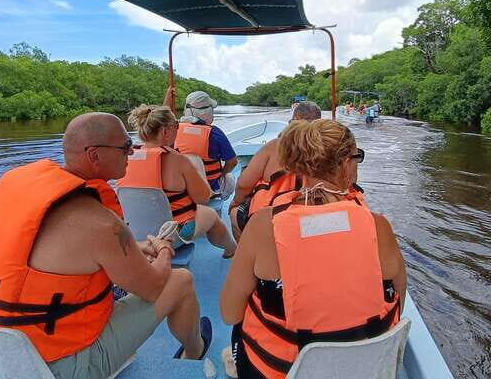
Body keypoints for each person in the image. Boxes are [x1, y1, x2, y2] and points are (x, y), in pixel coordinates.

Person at [0, 112, 212, 379]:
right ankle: (194, 351)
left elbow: (51, 253)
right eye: (126, 147)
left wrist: (134, 246)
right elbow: (153, 287)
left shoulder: (15, 187)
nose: (132, 151)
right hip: (61, 367)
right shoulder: (101, 223)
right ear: (94, 155)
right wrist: (162, 250)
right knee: (181, 281)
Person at [220, 120, 406, 378]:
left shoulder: (263, 225)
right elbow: (400, 301)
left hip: (282, 370)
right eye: (357, 158)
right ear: (345, 164)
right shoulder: (378, 226)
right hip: (364, 369)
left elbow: (229, 312)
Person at [122, 104, 237, 257]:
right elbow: (202, 198)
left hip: (135, 235)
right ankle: (231, 249)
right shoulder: (177, 160)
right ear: (165, 131)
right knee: (210, 215)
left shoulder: (126, 158)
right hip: (173, 235)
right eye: (176, 125)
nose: (178, 129)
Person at [228, 101, 322, 240]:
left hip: (273, 221)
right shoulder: (328, 150)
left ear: (293, 121)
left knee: (235, 214)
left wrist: (235, 203)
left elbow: (244, 185)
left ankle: (247, 255)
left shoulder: (273, 147)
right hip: (313, 223)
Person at [174, 90, 238, 194]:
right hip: (209, 187)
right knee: (229, 176)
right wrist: (222, 174)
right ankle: (220, 197)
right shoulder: (214, 132)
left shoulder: (173, 129)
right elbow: (233, 162)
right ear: (207, 111)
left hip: (183, 186)